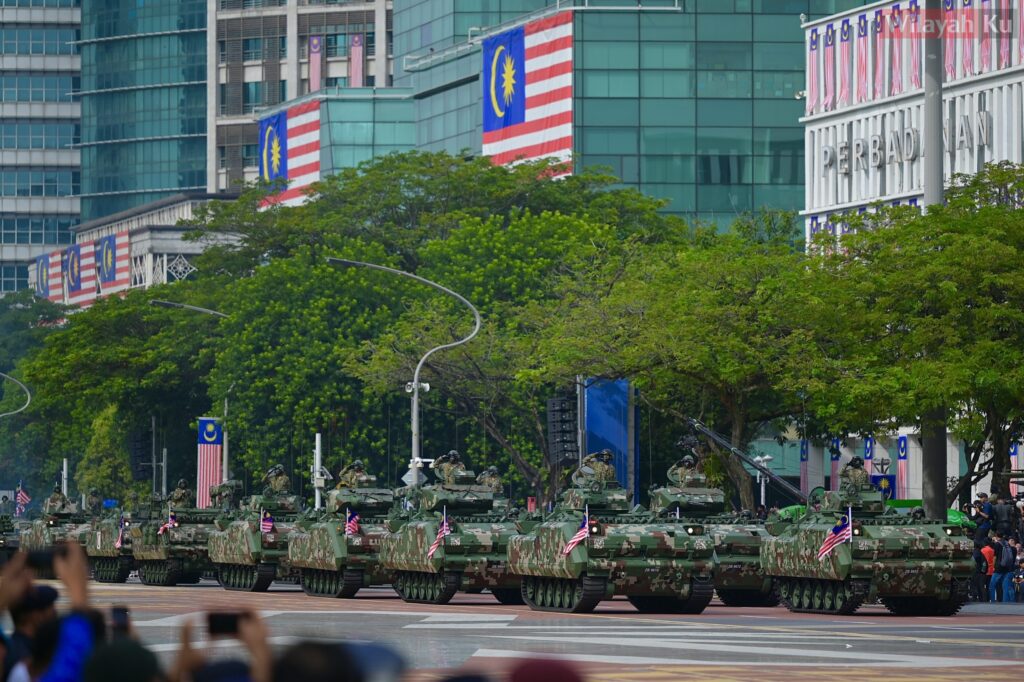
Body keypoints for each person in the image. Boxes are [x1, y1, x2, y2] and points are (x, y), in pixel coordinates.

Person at [991, 531, 1017, 603]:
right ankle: (1006, 601)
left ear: (996, 536)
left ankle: (992, 601)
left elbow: (995, 556)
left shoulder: (997, 544)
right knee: (1006, 586)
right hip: (1007, 567)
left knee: (992, 585)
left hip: (999, 567)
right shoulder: (1007, 544)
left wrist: (994, 566)